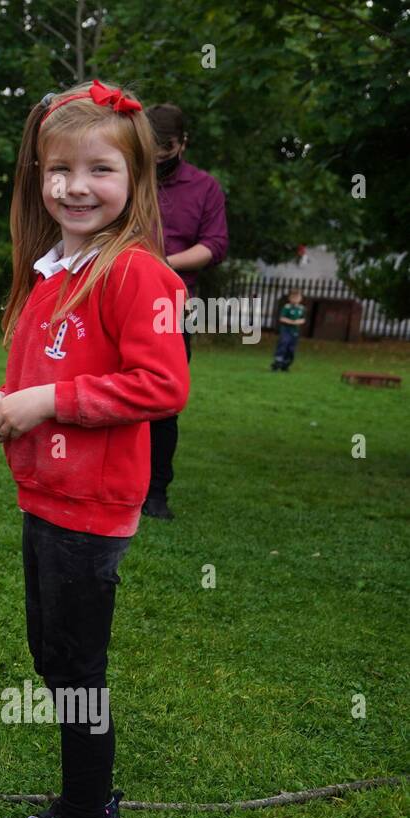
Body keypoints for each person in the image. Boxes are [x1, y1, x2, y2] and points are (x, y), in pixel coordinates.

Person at [0, 79, 190, 818]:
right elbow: (44, 370)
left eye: (100, 169)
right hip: (46, 496)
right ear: (38, 176)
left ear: (136, 178)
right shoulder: (55, 268)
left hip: (89, 507)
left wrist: (47, 402)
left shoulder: (135, 273)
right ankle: (87, 798)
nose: (76, 185)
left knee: (74, 668)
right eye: (58, 169)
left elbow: (163, 385)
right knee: (57, 659)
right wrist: (9, 400)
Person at [142, 103, 228, 520]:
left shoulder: (205, 188)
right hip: (121, 295)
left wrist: (161, 264)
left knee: (162, 400)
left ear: (183, 144)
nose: (159, 158)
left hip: (174, 305)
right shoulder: (127, 174)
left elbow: (214, 245)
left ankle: (155, 493)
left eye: (167, 149)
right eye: (152, 149)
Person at [271, 290, 306, 371]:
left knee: (291, 347)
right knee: (283, 343)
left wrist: (297, 322)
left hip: (295, 331)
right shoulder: (287, 307)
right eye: (293, 297)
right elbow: (282, 318)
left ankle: (286, 363)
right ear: (290, 298)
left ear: (300, 299)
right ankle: (278, 361)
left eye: (297, 297)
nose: (295, 299)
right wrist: (291, 322)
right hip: (286, 330)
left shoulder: (301, 308)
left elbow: (303, 320)